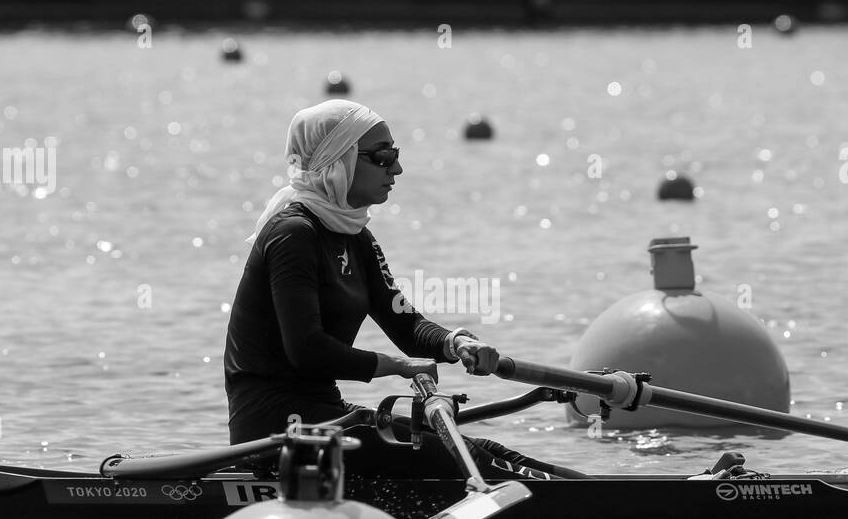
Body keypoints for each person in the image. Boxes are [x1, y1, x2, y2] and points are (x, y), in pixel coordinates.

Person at [224, 99, 583, 480]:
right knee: (467, 462)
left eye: (395, 154)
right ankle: (582, 516)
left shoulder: (357, 238)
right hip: (275, 430)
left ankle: (588, 493)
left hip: (323, 416)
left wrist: (456, 342)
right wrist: (397, 367)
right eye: (382, 156)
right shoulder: (293, 235)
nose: (396, 168)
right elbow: (306, 350)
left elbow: (405, 324)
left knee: (482, 450)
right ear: (339, 159)